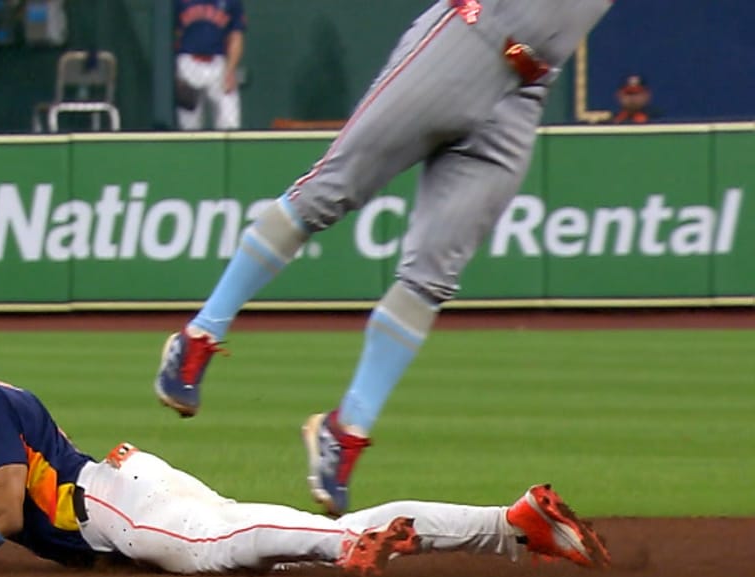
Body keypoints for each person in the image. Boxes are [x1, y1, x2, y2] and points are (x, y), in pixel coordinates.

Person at [153, 0, 614, 516]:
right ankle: (200, 334)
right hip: (468, 39)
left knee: (434, 275)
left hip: (528, 87)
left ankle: (346, 429)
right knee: (329, 192)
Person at [0, 315, 610, 577]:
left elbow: (0, 515)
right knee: (243, 531)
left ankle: (355, 545)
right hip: (127, 487)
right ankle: (511, 524)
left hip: (115, 508)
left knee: (227, 546)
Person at [173, 0, 246, 131]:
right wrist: (175, 71)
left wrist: (230, 70)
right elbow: (171, 34)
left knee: (230, 122)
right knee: (188, 126)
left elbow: (236, 37)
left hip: (219, 64)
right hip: (188, 62)